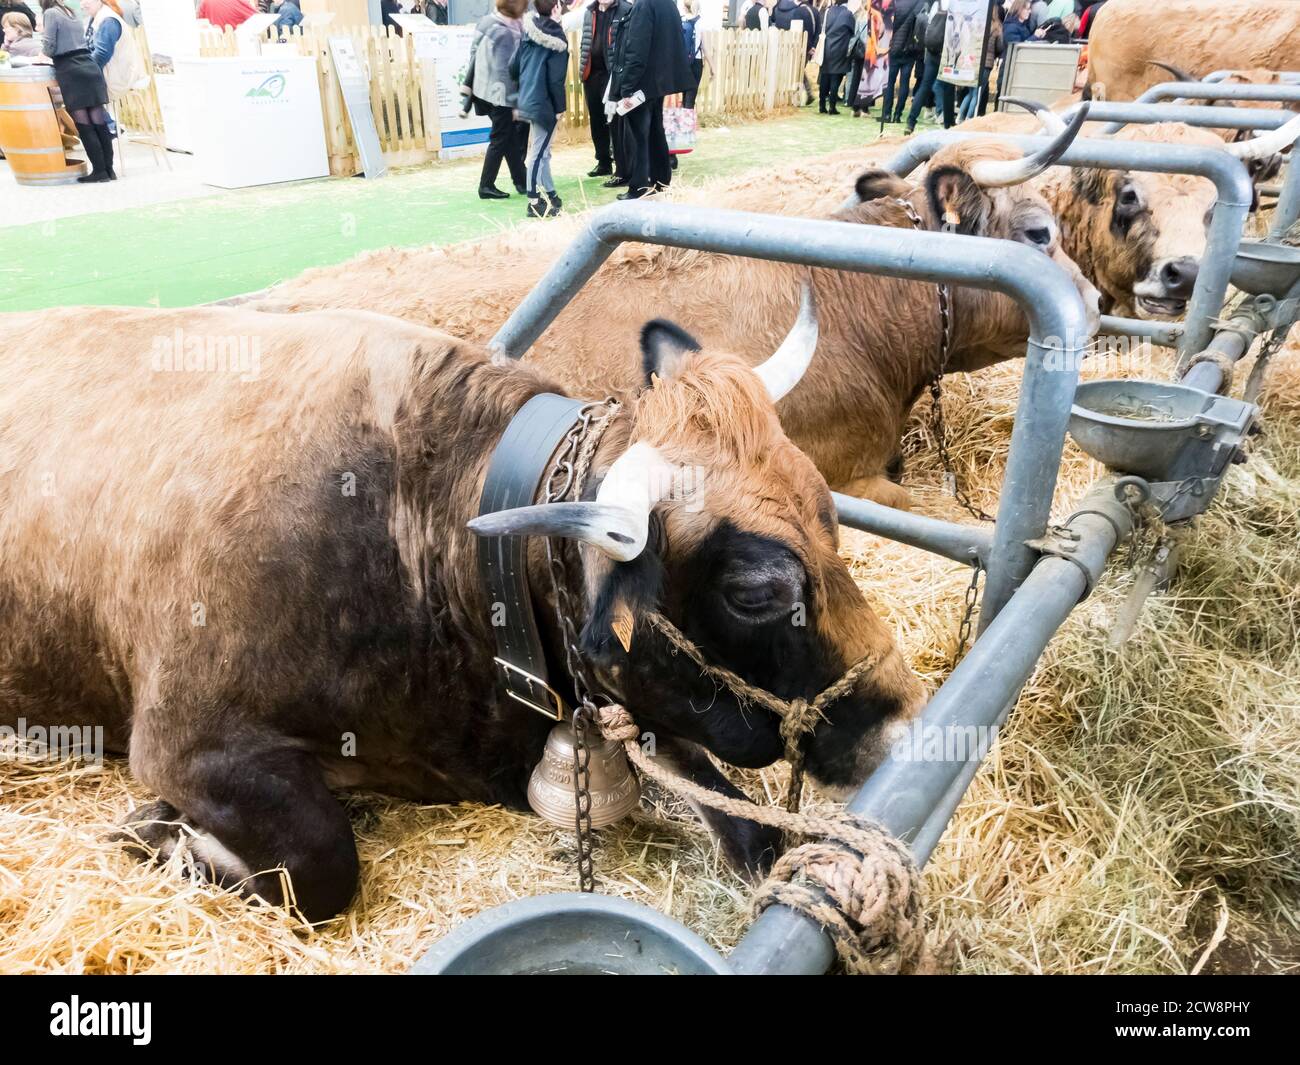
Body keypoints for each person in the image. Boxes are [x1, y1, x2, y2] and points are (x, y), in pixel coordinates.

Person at [609, 0, 693, 199]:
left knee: (639, 137)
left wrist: (626, 86)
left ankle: (638, 187)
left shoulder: (644, 5)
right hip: (658, 81)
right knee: (656, 132)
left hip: (642, 82)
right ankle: (660, 181)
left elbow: (637, 49)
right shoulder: (668, 4)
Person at [460, 0, 529, 200]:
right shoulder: (507, 31)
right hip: (499, 94)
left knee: (508, 137)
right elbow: (505, 71)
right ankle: (486, 185)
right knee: (500, 138)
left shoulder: (486, 22)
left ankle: (521, 180)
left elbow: (474, 53)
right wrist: (514, 102)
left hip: (483, 89)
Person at [39, 0, 112, 182]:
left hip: (70, 69)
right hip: (88, 65)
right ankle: (109, 170)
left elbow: (49, 45)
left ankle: (99, 171)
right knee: (98, 121)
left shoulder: (50, 13)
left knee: (84, 123)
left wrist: (41, 55)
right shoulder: (70, 11)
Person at [510, 0, 568, 218]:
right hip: (545, 103)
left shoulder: (527, 31)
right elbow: (556, 79)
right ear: (555, 9)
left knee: (541, 151)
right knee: (538, 152)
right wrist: (559, 107)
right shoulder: (558, 39)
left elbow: (513, 67)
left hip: (529, 98)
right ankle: (534, 201)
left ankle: (550, 192)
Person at [579, 0, 628, 182]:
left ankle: (622, 168)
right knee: (597, 119)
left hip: (612, 74)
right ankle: (603, 162)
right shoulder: (589, 12)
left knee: (615, 121)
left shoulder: (624, 10)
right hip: (591, 73)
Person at [905, 0, 948, 131]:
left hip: (931, 51)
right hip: (946, 51)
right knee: (947, 87)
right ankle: (946, 122)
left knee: (925, 86)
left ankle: (911, 121)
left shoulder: (936, 5)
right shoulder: (954, 5)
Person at [956, 1, 999, 121]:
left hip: (972, 61)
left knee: (970, 92)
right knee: (977, 93)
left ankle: (960, 117)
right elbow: (999, 47)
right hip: (986, 64)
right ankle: (970, 118)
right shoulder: (996, 28)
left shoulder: (974, 24)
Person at [882, 0, 921, 123]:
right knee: (905, 83)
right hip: (910, 49)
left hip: (894, 47)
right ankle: (898, 114)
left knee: (890, 82)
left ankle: (887, 114)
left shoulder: (895, 4)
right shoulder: (918, 4)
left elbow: (887, 25)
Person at [817, 0, 852, 114]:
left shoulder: (828, 11)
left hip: (827, 47)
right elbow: (852, 31)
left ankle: (822, 105)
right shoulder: (848, 14)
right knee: (835, 78)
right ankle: (832, 107)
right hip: (840, 48)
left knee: (824, 77)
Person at [680, 0, 712, 110]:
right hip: (696, 61)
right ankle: (687, 125)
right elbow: (706, 49)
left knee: (684, 94)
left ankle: (683, 124)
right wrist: (713, 68)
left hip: (682, 62)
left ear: (684, 7)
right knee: (691, 95)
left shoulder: (680, 20)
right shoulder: (701, 23)